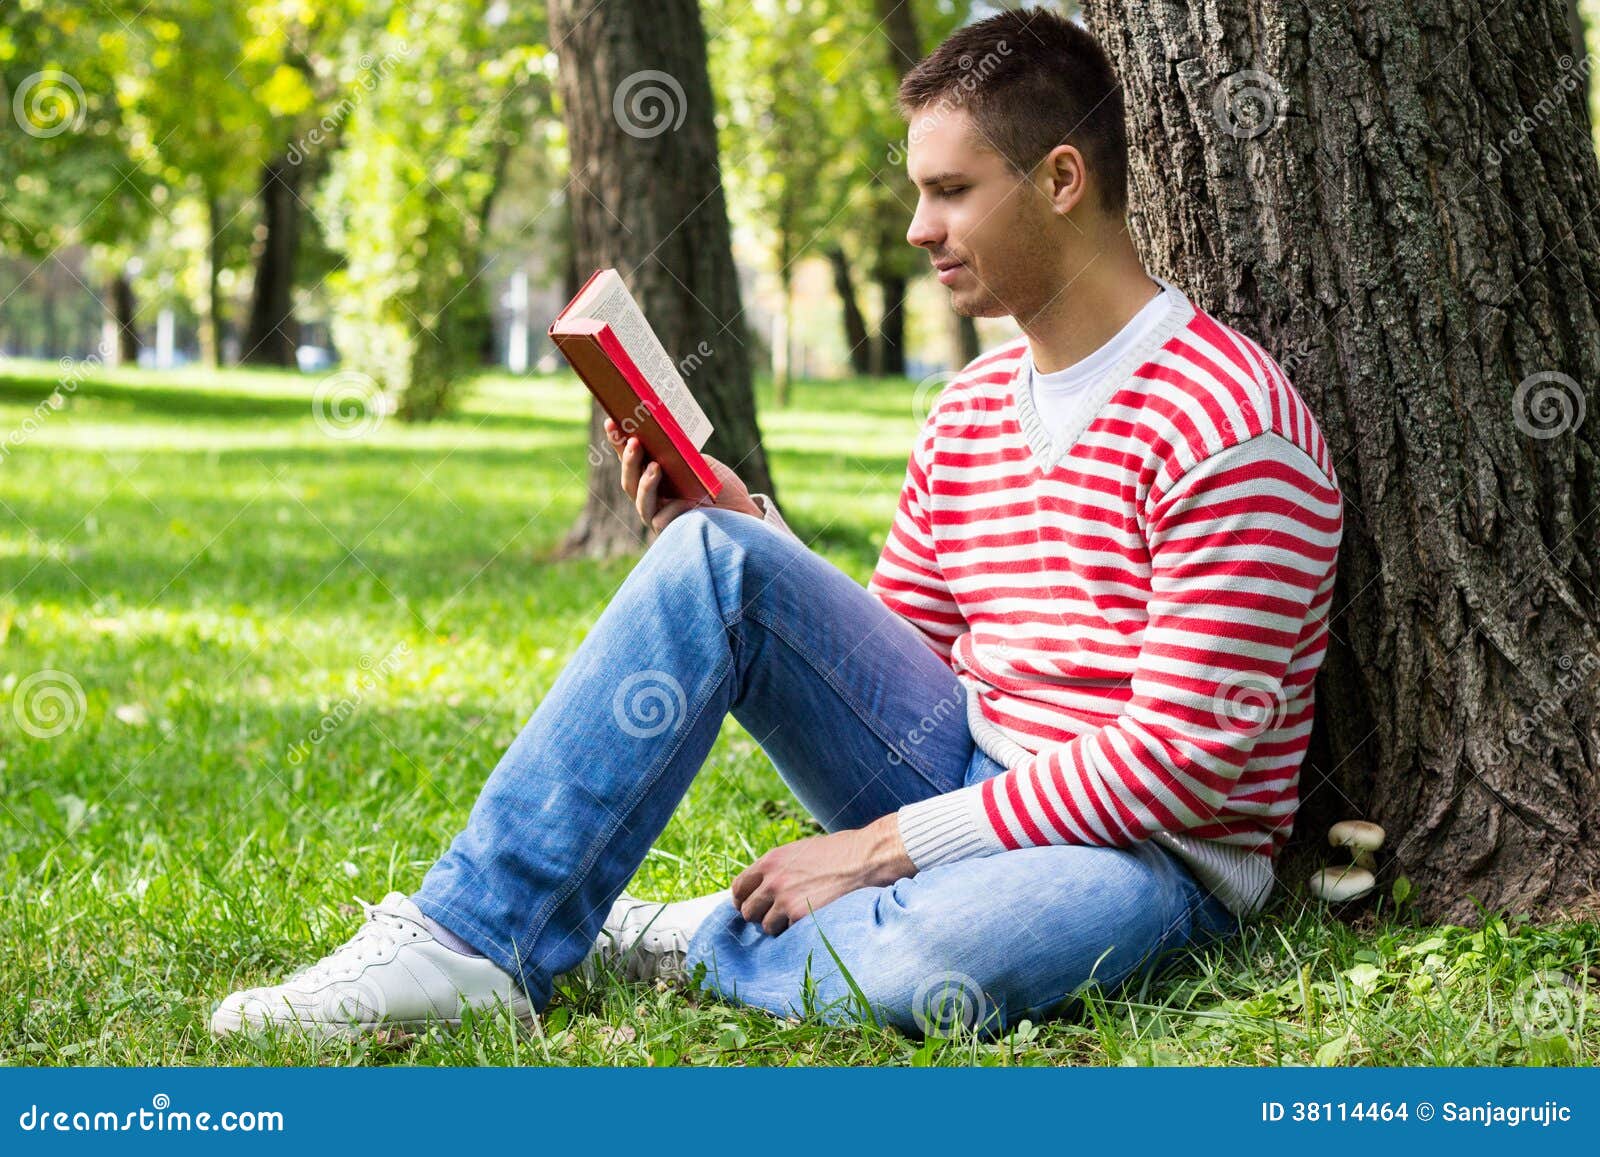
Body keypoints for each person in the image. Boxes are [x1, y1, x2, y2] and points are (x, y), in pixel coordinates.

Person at [210, 7, 1343, 1043]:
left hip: (1144, 853)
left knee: (936, 962)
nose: (916, 227)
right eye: (917, 192)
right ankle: (469, 939)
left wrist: (876, 849)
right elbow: (905, 641)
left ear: (1059, 178)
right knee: (716, 556)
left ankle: (682, 932)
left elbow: (1183, 764)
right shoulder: (968, 410)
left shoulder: (1227, 421)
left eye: (950, 191)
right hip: (963, 765)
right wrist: (751, 535)